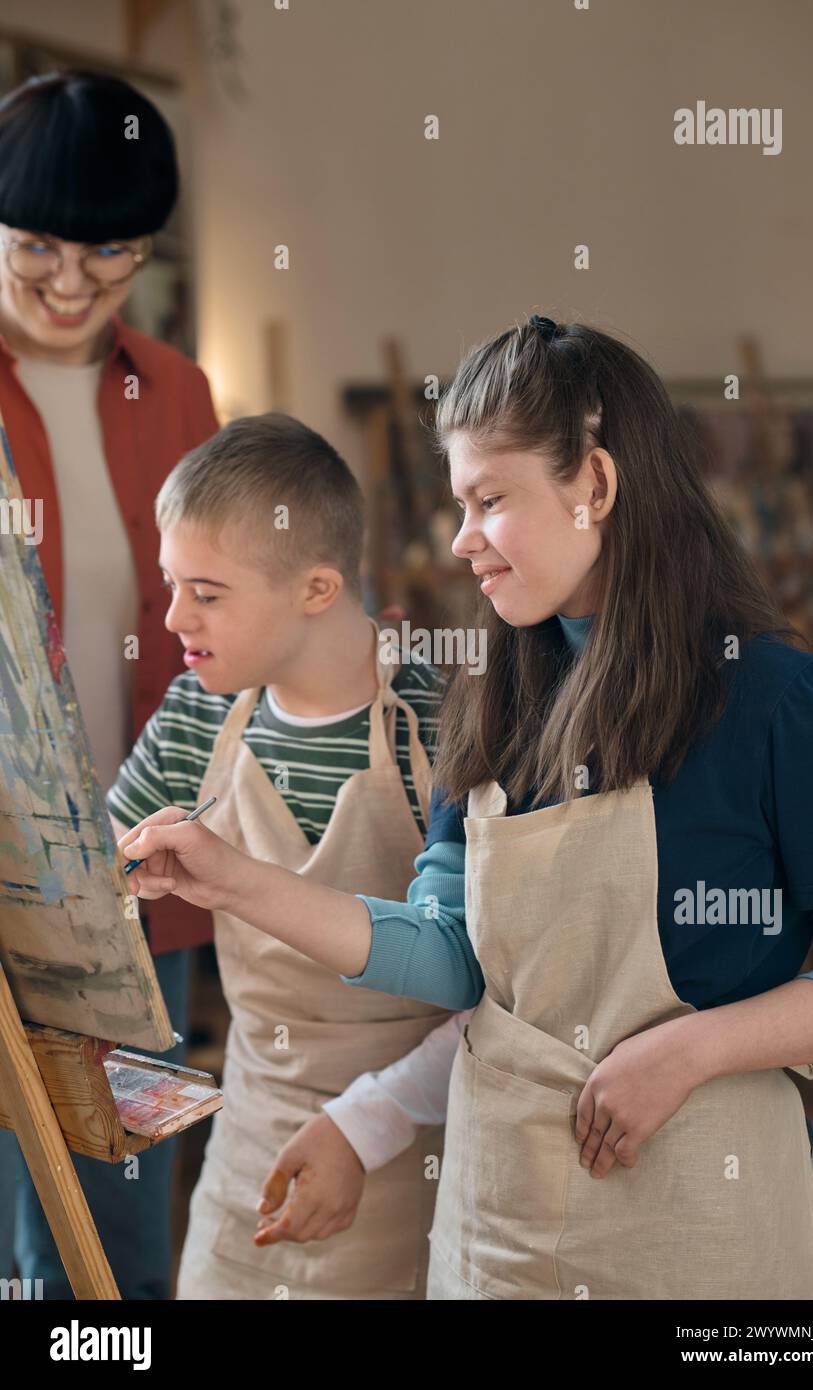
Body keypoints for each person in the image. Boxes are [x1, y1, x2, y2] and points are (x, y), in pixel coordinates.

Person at [118, 317, 813, 1300]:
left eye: (489, 499)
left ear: (592, 485)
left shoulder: (771, 699)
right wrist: (236, 881)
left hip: (700, 1233)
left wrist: (691, 1048)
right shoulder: (488, 702)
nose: (463, 537)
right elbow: (445, 954)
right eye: (456, 502)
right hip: (495, 1231)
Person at [106, 412, 452, 1300]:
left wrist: (368, 1126)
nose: (176, 617)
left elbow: (510, 991)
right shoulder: (195, 715)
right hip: (248, 1147)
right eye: (171, 584)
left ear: (317, 587)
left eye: (208, 593)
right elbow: (89, 888)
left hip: (419, 1153)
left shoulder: (447, 727)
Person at [0, 69, 219, 1299]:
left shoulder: (175, 392)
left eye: (111, 253)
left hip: (139, 874)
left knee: (122, 1227)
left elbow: (214, 630)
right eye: (36, 248)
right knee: (17, 1240)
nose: (74, 283)